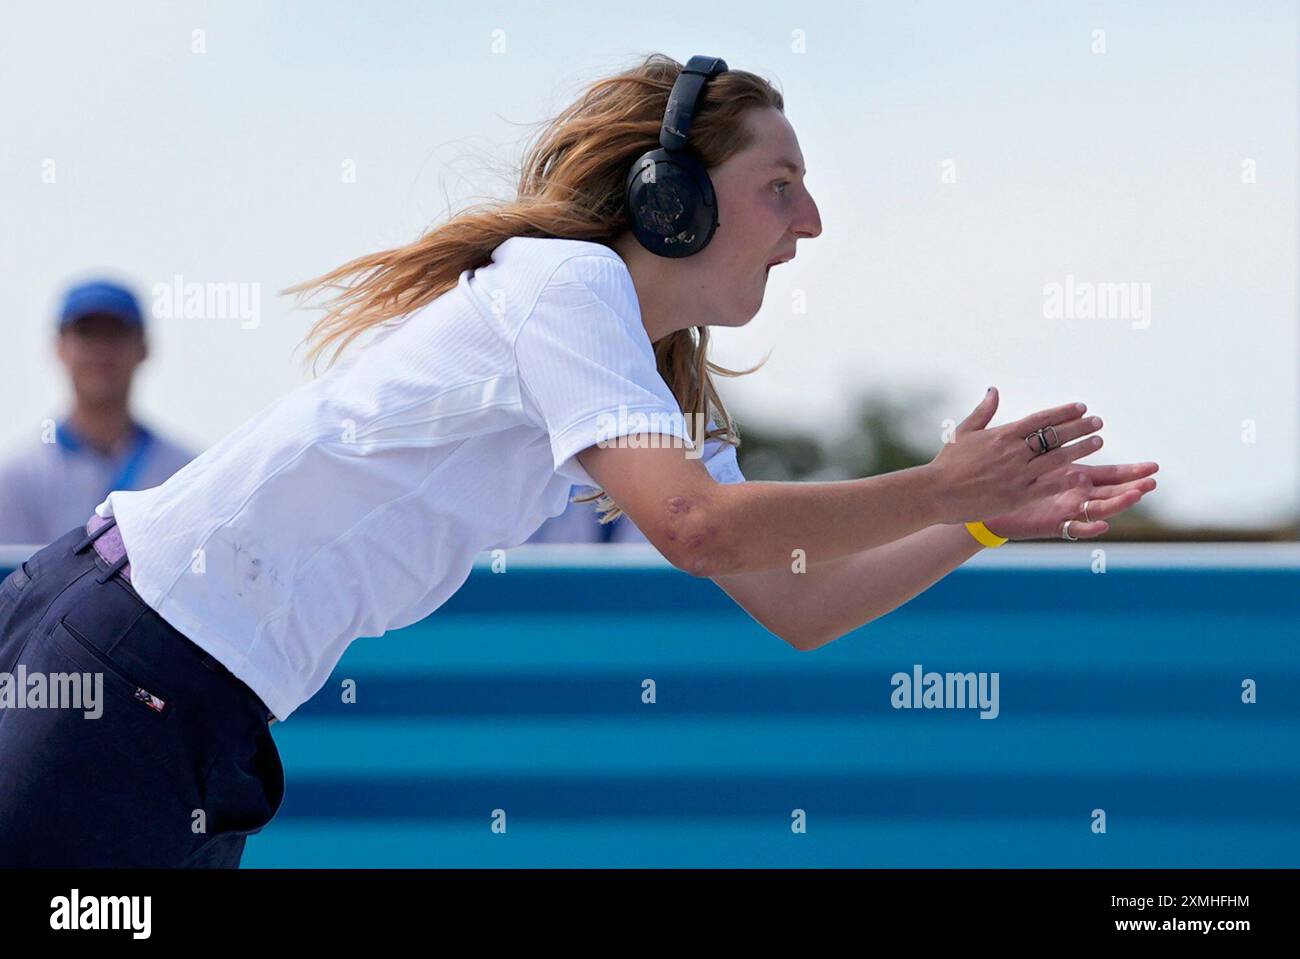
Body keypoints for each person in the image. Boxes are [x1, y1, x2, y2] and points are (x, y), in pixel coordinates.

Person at [0, 53, 1158, 868]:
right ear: (673, 201)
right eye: (780, 186)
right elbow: (696, 527)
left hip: (179, 692)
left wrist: (985, 519)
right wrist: (937, 482)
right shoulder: (570, 283)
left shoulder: (641, 383)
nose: (810, 224)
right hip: (128, 667)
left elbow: (795, 599)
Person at [0, 279, 195, 545]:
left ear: (144, 348)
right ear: (59, 348)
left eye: (115, 334)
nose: (101, 349)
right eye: (86, 333)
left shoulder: (183, 475)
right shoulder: (17, 479)